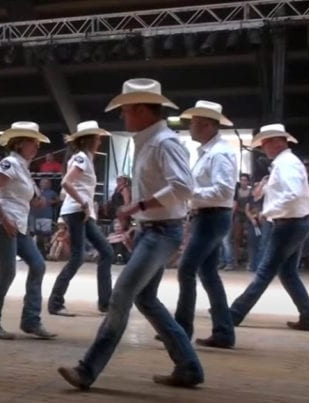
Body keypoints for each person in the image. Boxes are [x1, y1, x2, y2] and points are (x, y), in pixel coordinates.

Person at [59, 78, 203, 389]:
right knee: (146, 300)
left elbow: (183, 186)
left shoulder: (164, 142)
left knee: (122, 295)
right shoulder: (150, 141)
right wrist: (137, 212)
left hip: (162, 231)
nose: (122, 116)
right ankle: (189, 366)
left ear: (139, 108)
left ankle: (87, 369)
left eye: (125, 110)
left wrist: (138, 205)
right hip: (155, 229)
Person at [229, 124, 309, 331]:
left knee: (265, 271)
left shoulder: (286, 165)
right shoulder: (286, 163)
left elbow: (292, 194)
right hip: (295, 223)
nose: (263, 147)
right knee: (287, 273)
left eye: (265, 143)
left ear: (277, 142)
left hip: (288, 224)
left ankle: (234, 314)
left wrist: (266, 212)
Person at [170, 100, 238, 349]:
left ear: (208, 125)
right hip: (209, 216)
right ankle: (223, 332)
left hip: (212, 216)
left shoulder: (219, 153)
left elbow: (223, 190)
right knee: (208, 274)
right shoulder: (211, 151)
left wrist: (189, 193)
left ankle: (180, 328)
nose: (191, 127)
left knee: (186, 269)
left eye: (195, 123)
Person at [0, 121, 55, 340]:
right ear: (20, 143)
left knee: (38, 265)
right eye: (33, 142)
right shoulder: (9, 163)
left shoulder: (23, 168)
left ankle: (31, 320)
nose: (37, 147)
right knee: (8, 273)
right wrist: (4, 219)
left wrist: (39, 201)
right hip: (5, 224)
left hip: (18, 226)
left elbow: (31, 200)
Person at [48, 121, 114, 316]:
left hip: (81, 212)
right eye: (97, 137)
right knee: (78, 257)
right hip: (78, 211)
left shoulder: (83, 158)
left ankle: (105, 302)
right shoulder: (82, 158)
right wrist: (84, 203)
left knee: (106, 252)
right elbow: (66, 183)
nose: (100, 140)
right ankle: (56, 302)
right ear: (90, 139)